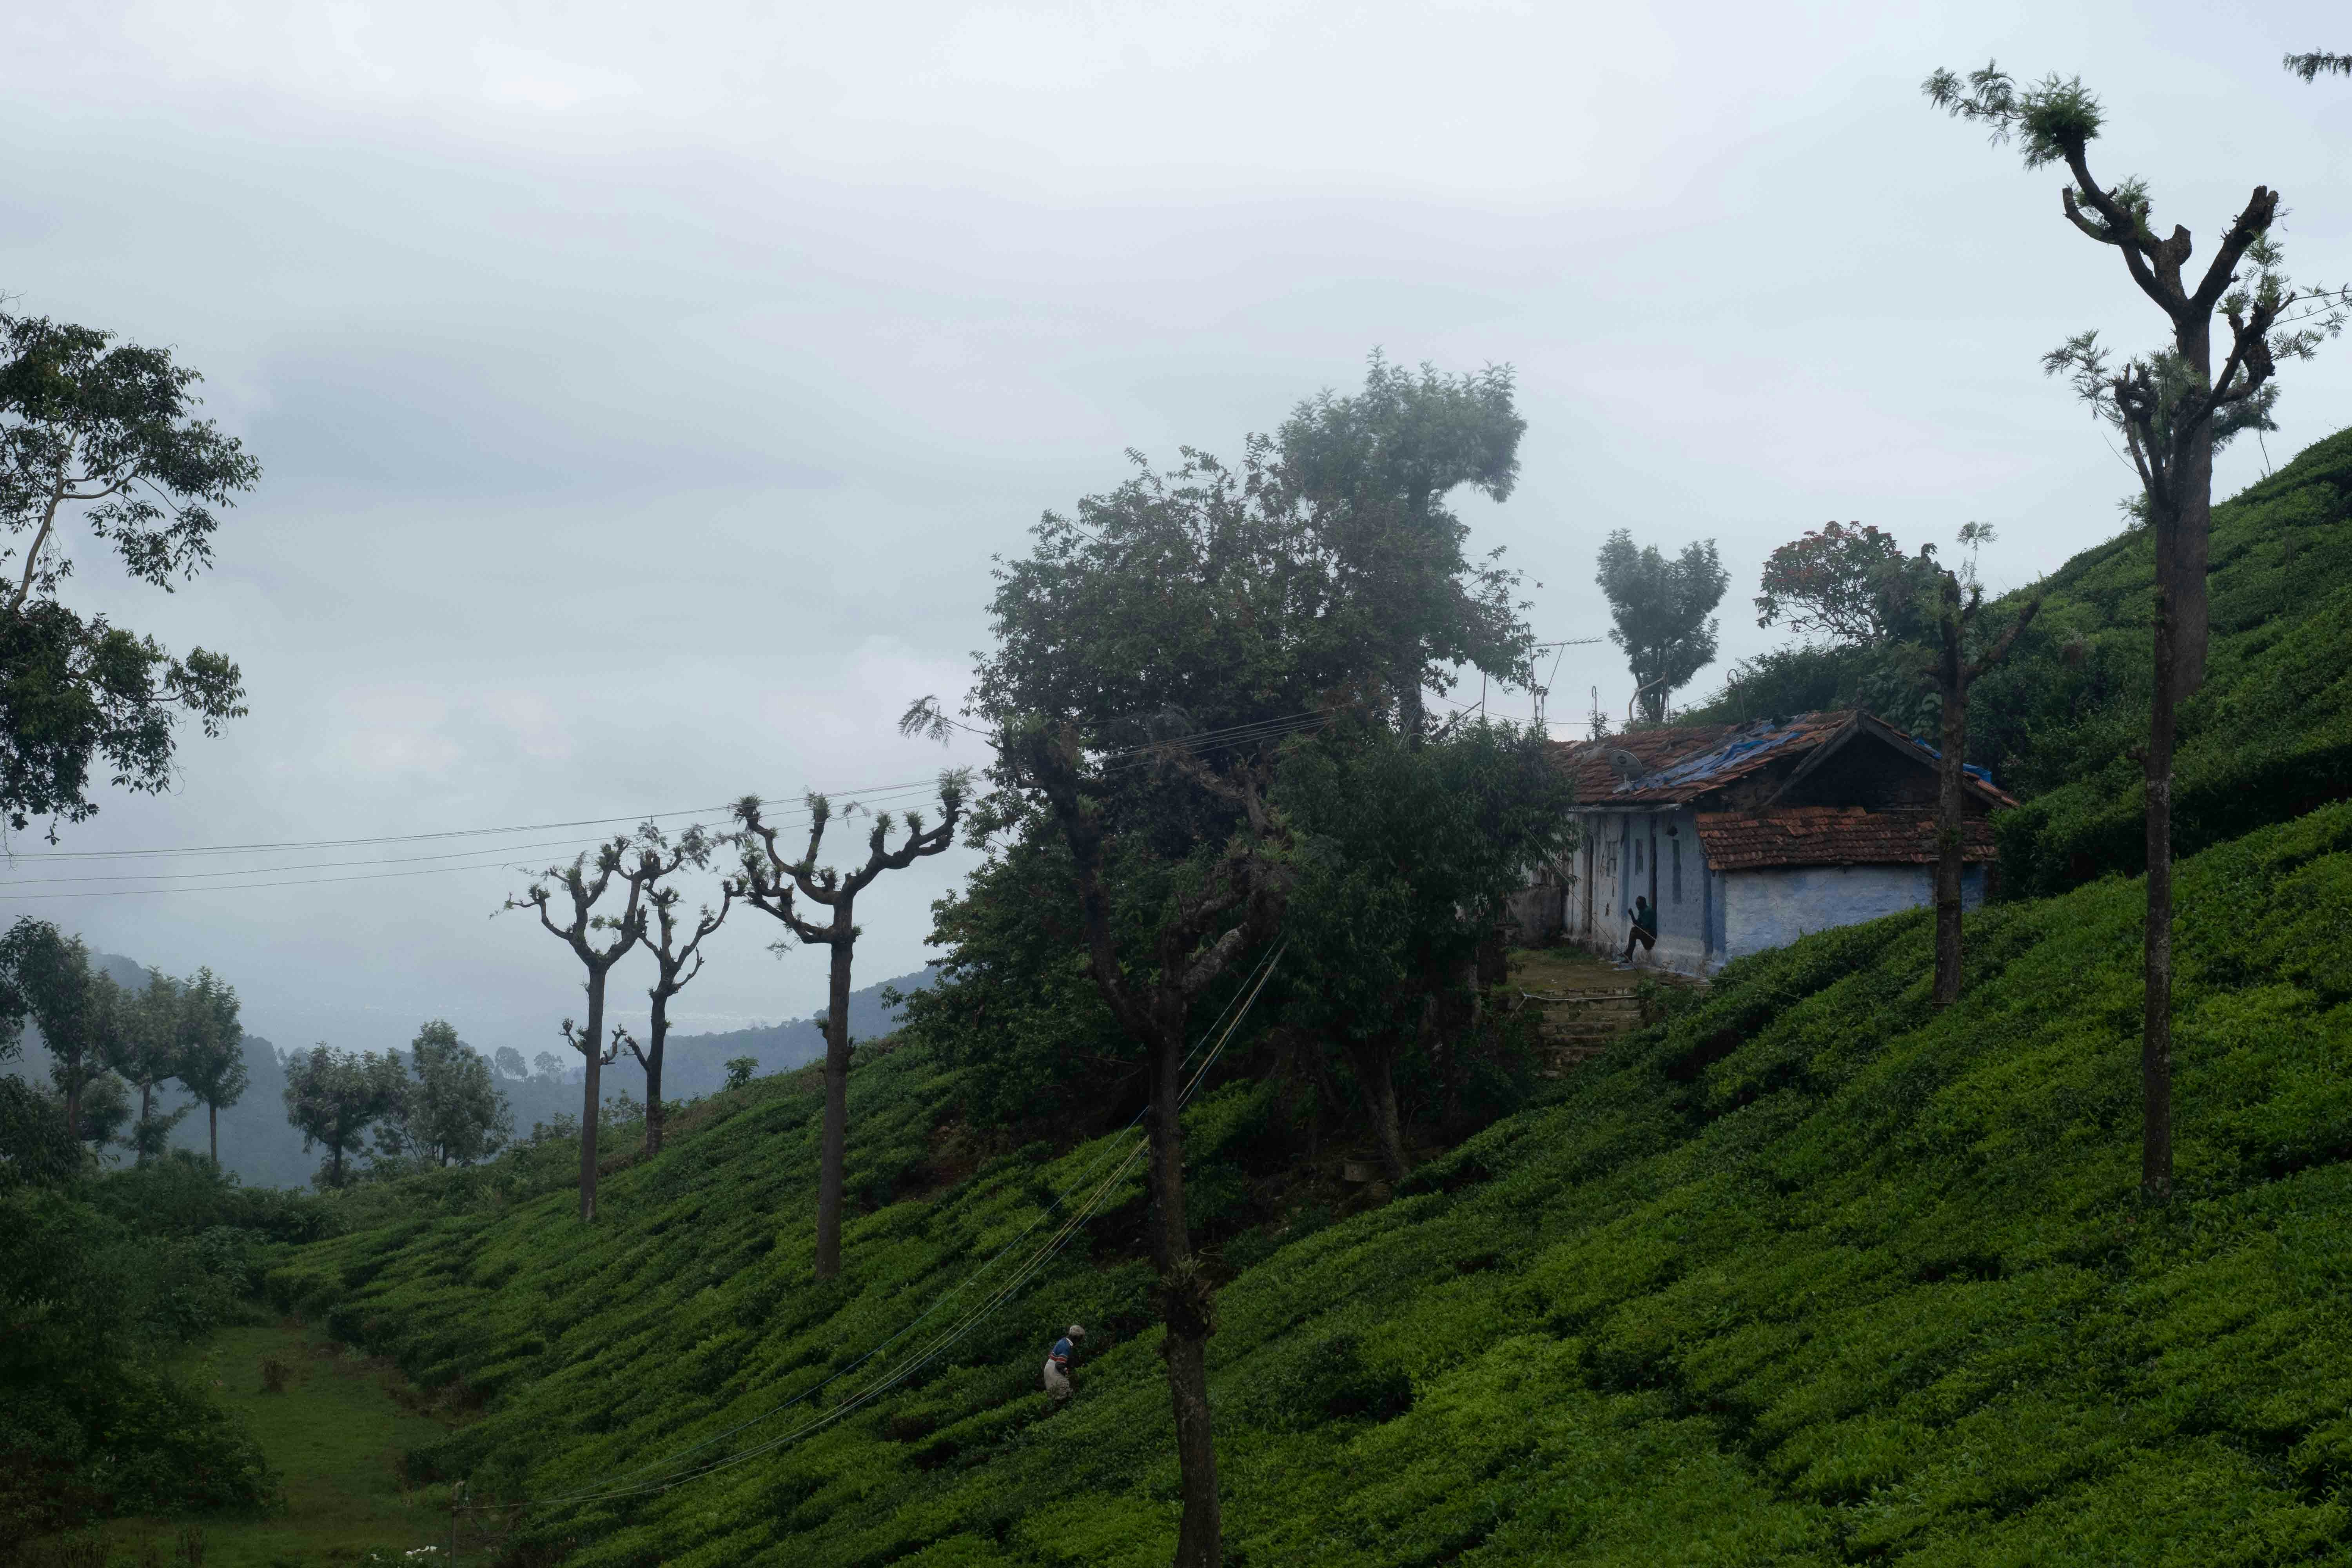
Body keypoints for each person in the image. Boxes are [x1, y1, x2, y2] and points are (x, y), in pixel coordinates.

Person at [1043, 1323, 1085, 1405]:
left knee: (1056, 1394)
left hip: (1050, 1366)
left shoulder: (1063, 1341)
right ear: (1076, 1338)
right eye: (1080, 1339)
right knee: (1064, 1391)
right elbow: (1059, 1365)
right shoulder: (1066, 1347)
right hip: (1053, 1369)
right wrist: (1067, 1371)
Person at [1619, 895, 1657, 965]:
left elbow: (1643, 927)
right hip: (1646, 935)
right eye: (1637, 904)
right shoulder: (1642, 911)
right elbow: (1637, 925)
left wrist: (1633, 917)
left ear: (1643, 904)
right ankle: (1629, 956)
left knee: (1634, 932)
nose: (1637, 906)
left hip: (1651, 938)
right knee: (1633, 931)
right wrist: (1632, 915)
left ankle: (1629, 954)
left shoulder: (1648, 911)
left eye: (1638, 904)